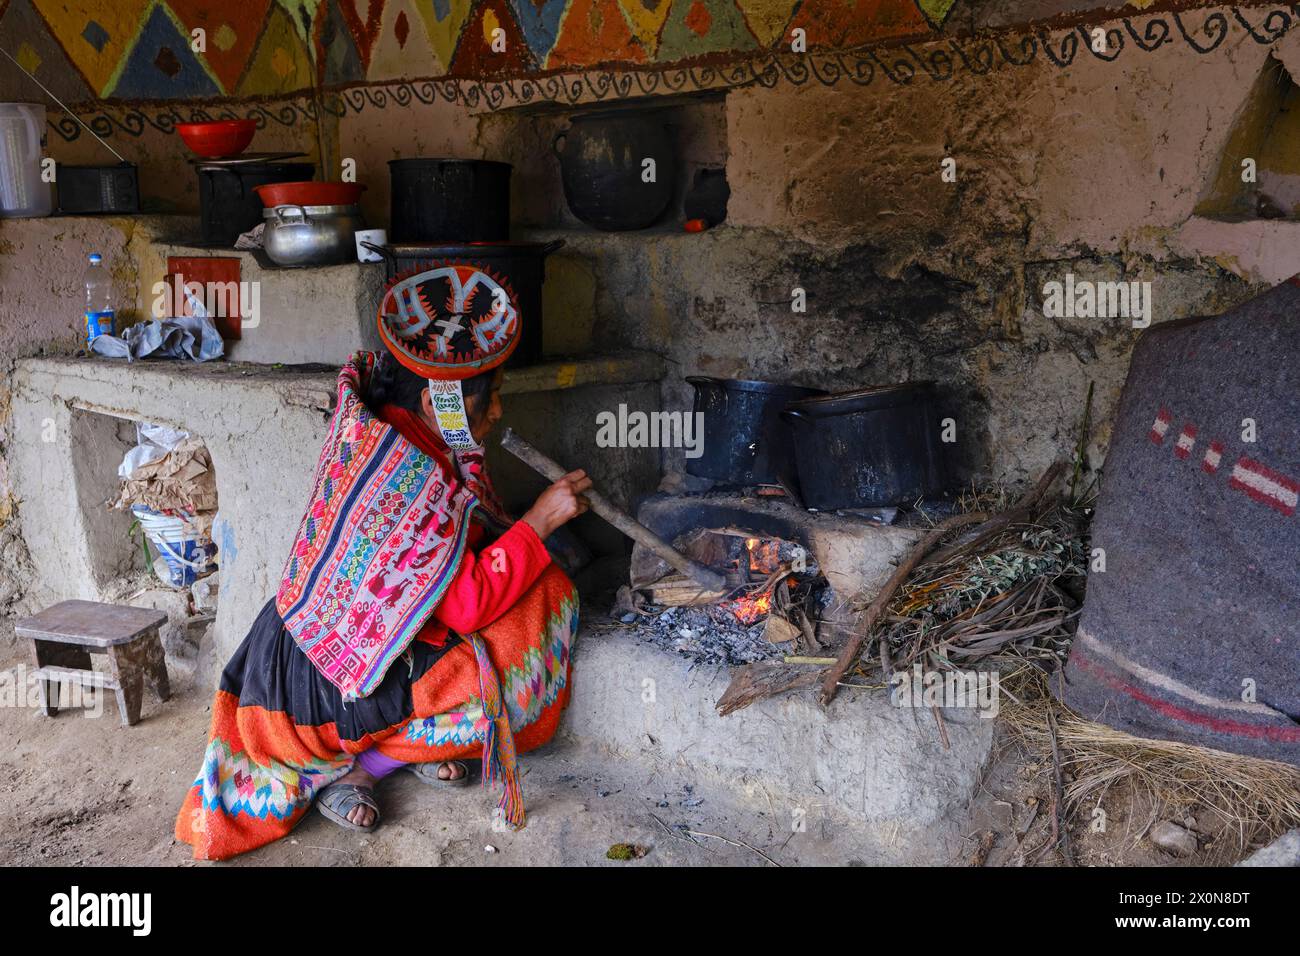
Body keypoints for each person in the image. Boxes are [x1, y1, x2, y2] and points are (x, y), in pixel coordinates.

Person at [175, 264, 590, 860]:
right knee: (533, 625)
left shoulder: (393, 431)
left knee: (537, 587)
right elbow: (467, 602)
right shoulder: (406, 471)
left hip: (310, 662)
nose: (496, 413)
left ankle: (381, 748)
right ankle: (365, 763)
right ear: (436, 401)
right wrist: (540, 521)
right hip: (305, 696)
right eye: (490, 399)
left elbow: (438, 567)